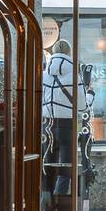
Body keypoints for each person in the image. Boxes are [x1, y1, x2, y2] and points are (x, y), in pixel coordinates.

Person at [42, 39, 75, 200]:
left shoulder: (44, 75)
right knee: (66, 165)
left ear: (53, 53)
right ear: (69, 53)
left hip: (47, 124)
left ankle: (46, 202)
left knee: (48, 164)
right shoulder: (75, 74)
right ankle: (60, 201)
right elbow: (81, 105)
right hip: (67, 124)